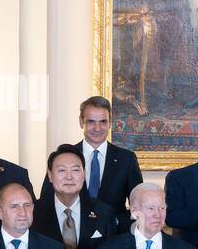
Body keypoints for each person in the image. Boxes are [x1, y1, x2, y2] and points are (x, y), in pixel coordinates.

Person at [48, 96, 143, 233]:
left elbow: (139, 203)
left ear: (110, 123)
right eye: (91, 122)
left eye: (103, 122)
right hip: (71, 236)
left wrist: (115, 222)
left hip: (113, 237)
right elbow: (47, 201)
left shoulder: (126, 159)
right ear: (81, 122)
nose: (97, 128)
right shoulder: (63, 158)